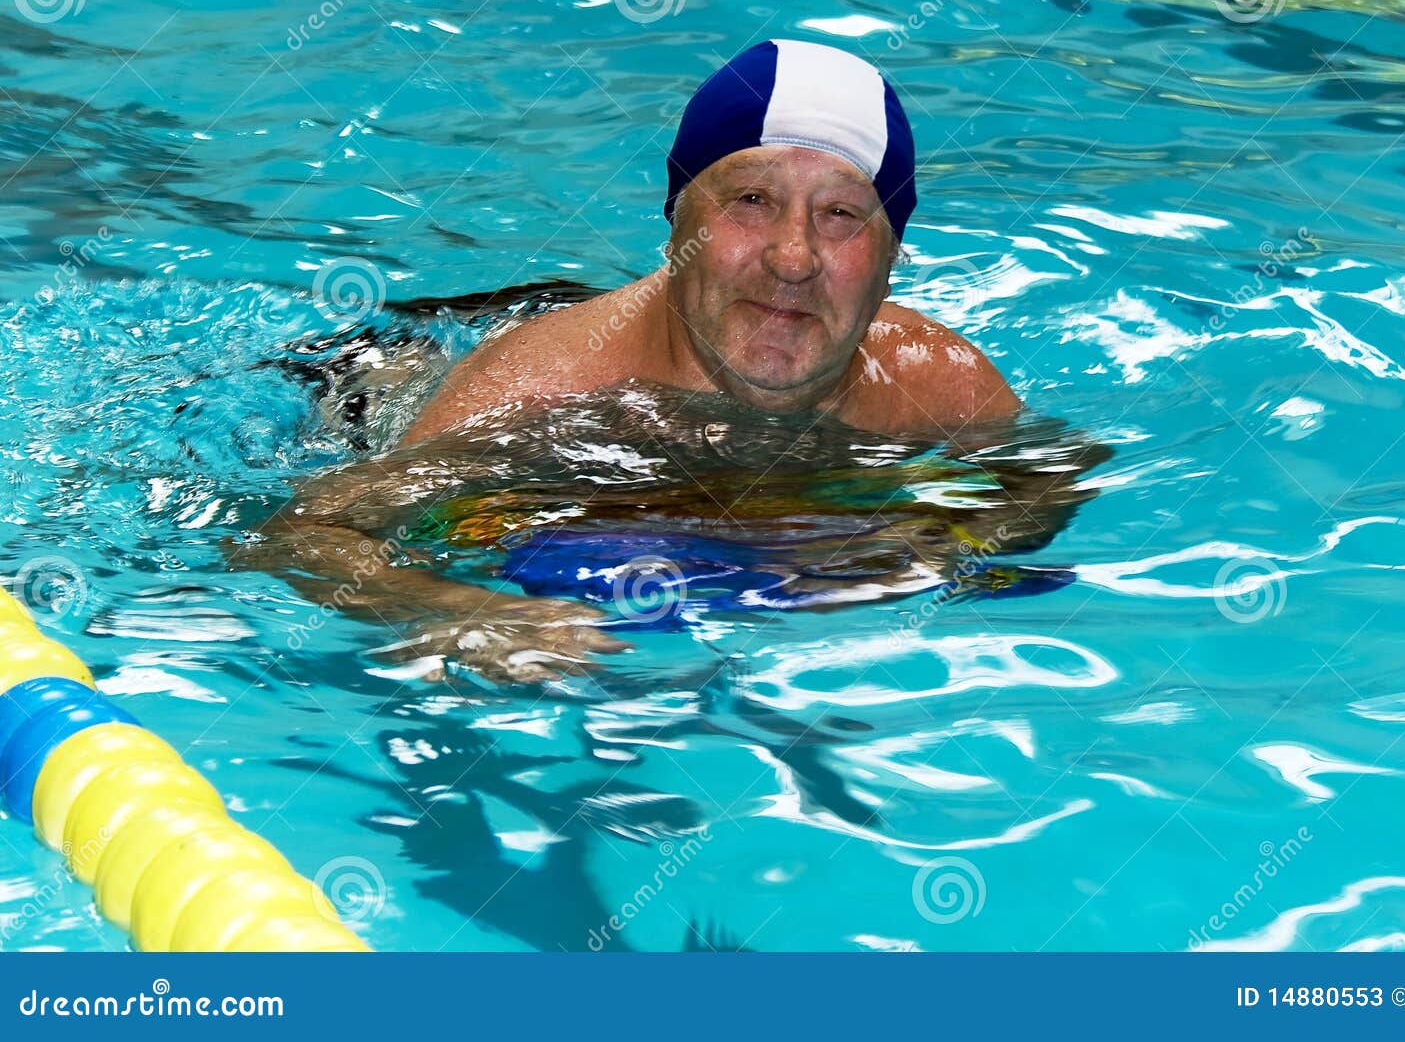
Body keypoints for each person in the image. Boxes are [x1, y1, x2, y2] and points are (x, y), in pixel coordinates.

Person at [237, 39, 1098, 682]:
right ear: (678, 221)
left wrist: (935, 543)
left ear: (892, 257)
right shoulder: (533, 393)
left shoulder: (935, 380)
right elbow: (297, 535)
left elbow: (1047, 481)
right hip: (387, 384)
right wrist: (453, 606)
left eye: (841, 214)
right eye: (751, 200)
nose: (793, 256)